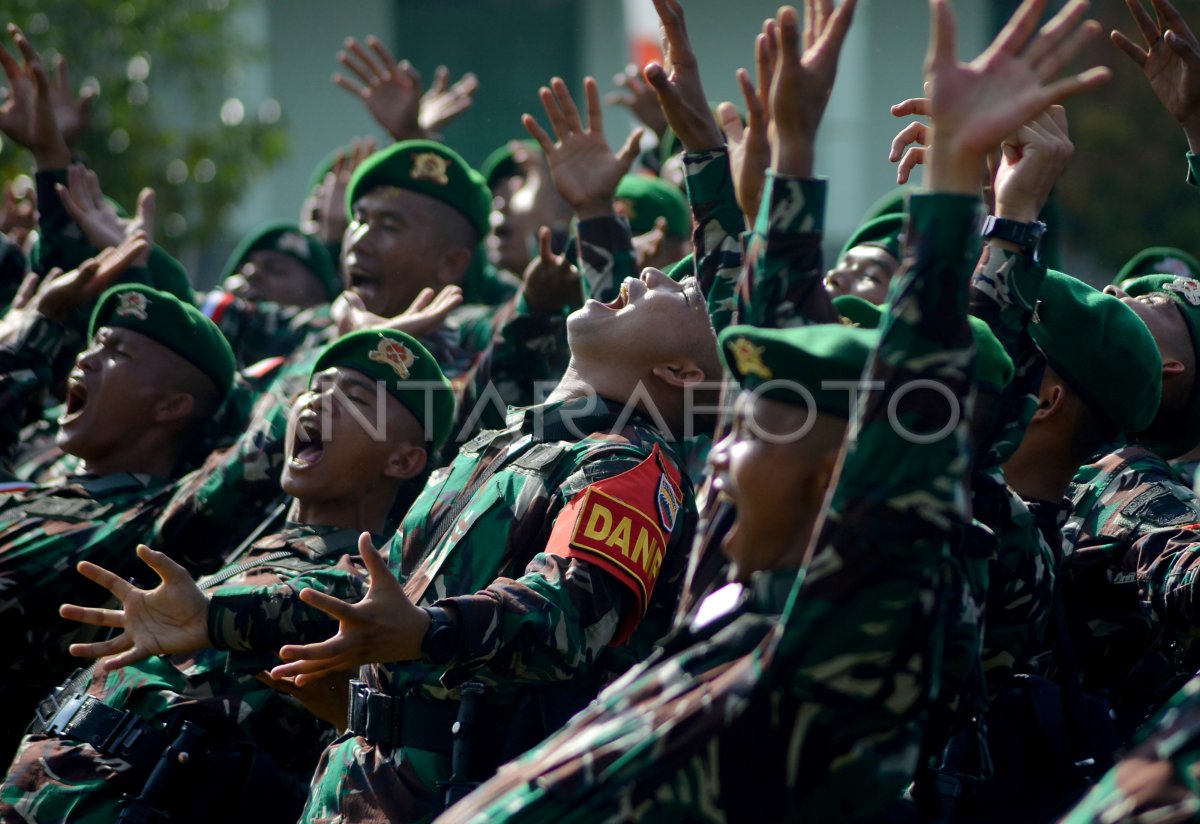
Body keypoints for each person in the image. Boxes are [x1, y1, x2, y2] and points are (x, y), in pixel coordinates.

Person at [432, 0, 1111, 821]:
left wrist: (966, 195)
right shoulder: (734, 581)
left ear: (841, 477)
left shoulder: (836, 653)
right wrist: (779, 152)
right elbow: (761, 326)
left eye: (753, 430)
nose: (720, 449)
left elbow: (916, 413)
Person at [0, 329, 451, 823]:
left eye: (355, 398)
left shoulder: (361, 588)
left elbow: (312, 611)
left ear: (403, 460)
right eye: (316, 387)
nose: (319, 401)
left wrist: (214, 616)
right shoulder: (242, 551)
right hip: (37, 792)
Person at [0, 254, 236, 759]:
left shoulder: (141, 526)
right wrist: (37, 323)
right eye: (95, 343)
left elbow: (250, 461)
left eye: (118, 354)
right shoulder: (37, 487)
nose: (85, 359)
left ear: (171, 407)